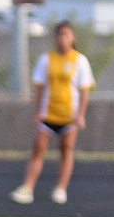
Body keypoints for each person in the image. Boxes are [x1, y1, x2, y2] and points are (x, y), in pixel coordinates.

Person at [11, 20, 94, 205]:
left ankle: (61, 188)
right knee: (38, 148)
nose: (62, 39)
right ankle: (28, 187)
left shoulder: (79, 60)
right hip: (49, 113)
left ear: (73, 38)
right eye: (59, 35)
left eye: (66, 35)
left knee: (66, 149)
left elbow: (84, 91)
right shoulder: (47, 59)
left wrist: (80, 114)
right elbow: (40, 88)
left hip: (69, 115)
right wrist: (39, 110)